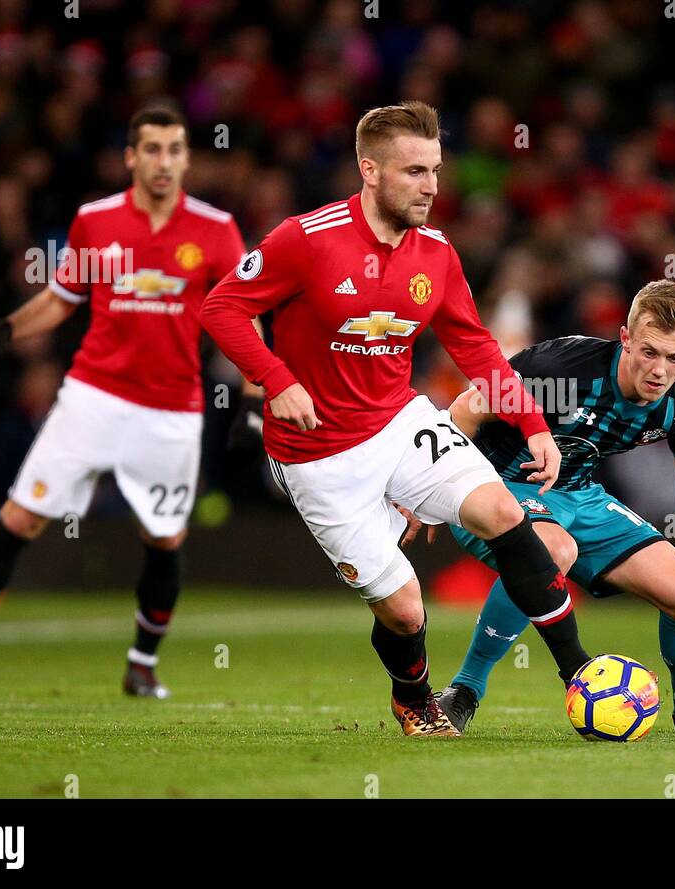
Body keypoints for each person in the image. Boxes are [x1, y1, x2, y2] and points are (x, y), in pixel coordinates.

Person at [199, 101, 591, 737]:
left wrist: (532, 424)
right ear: (369, 170)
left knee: (504, 513)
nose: (431, 187)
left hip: (398, 421)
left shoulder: (436, 252)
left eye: (435, 171)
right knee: (406, 610)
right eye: (414, 171)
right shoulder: (305, 240)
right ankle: (412, 698)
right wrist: (278, 380)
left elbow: (475, 347)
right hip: (316, 453)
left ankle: (580, 673)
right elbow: (221, 309)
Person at [0, 106, 246, 699]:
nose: (163, 161)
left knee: (164, 539)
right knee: (21, 516)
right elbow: (63, 298)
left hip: (171, 410)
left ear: (187, 159)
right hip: (92, 397)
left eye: (174, 149)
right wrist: (8, 329)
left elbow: (235, 317)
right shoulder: (97, 221)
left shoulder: (216, 229)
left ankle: (141, 664)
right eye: (152, 149)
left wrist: (254, 389)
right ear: (130, 158)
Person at [420, 280, 675, 735]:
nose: (660, 370)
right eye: (649, 352)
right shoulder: (560, 370)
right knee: (553, 549)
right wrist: (428, 491)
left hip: (581, 496)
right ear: (624, 337)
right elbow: (467, 409)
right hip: (496, 487)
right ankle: (465, 689)